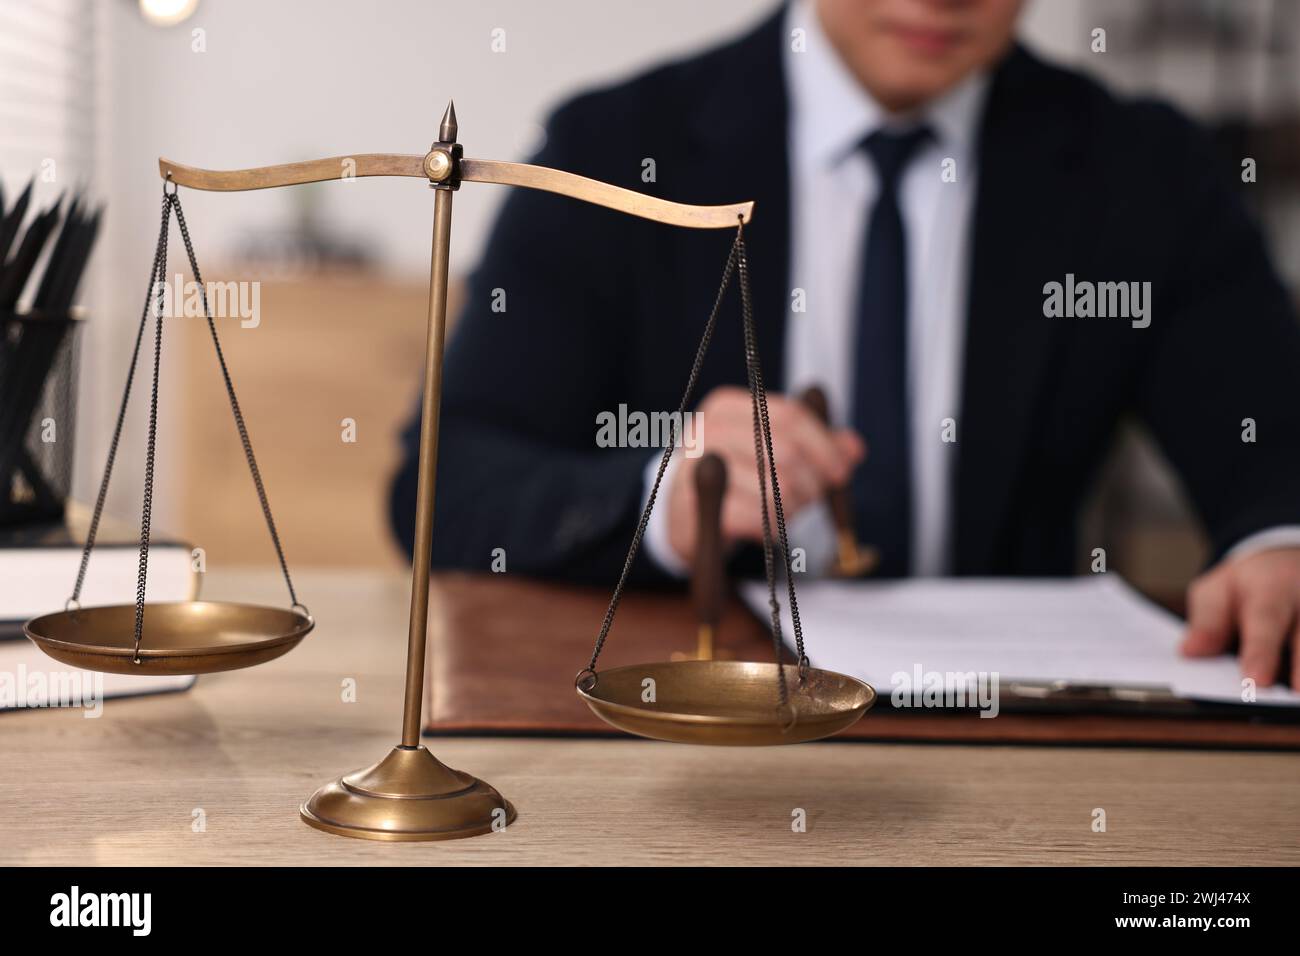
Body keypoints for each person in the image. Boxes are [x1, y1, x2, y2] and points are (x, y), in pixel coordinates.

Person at [391, 0, 1300, 688]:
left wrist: (1277, 540)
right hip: (690, 730)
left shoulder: (1144, 169)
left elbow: (1266, 441)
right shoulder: (615, 146)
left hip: (1020, 745)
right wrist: (664, 497)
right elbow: (442, 481)